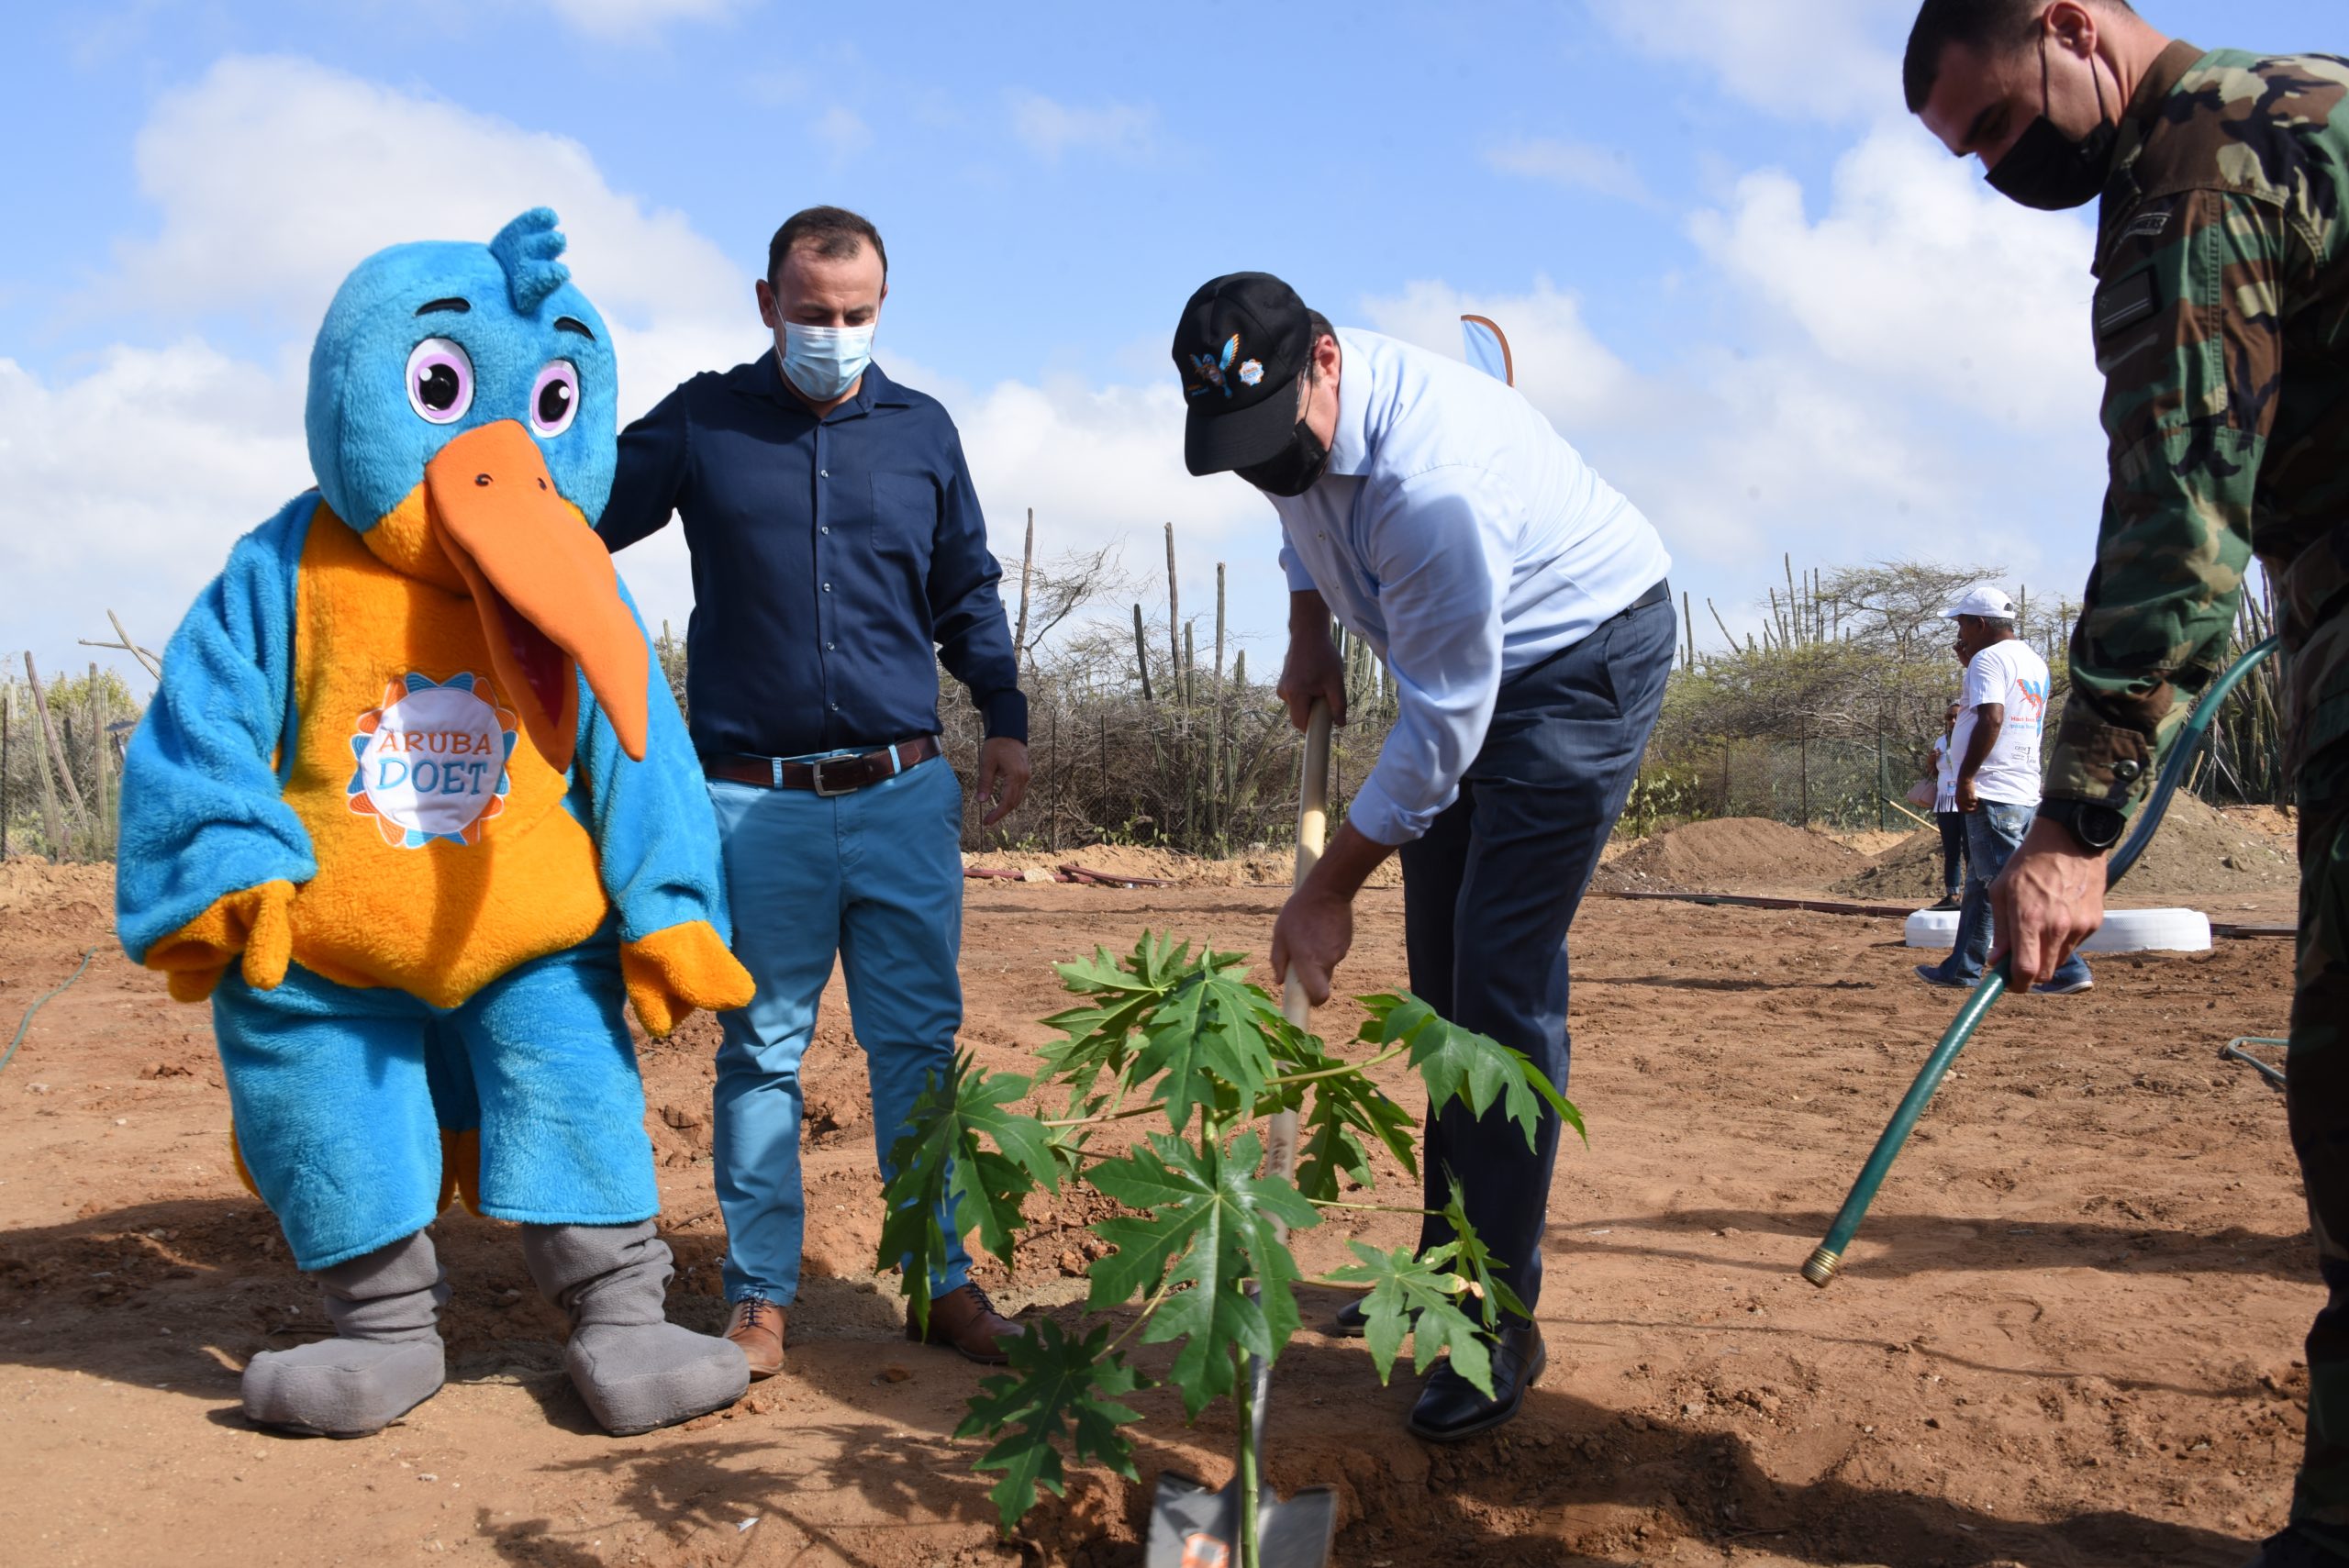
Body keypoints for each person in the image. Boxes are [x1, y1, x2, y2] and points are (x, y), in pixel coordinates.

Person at [1904, 3, 2345, 1561]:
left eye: (2002, 122)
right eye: (1970, 156)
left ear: (2069, 26)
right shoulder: (2315, 99)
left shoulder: (2197, 173)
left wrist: (2082, 825)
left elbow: (2175, 506)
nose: (2000, 169)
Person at [1171, 272, 1673, 1441]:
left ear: (1327, 362)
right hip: (1460, 661)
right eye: (1238, 451)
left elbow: (1446, 722)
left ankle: (1495, 1319)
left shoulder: (1432, 481)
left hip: (1576, 663)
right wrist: (1308, 626)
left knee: (1496, 987)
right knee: (1440, 979)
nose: (1266, 465)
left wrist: (1323, 888)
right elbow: (1299, 512)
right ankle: (1442, 1273)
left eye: (1275, 436)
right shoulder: (1291, 436)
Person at [597, 206, 1031, 1378]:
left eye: (858, 314)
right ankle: (758, 1299)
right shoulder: (701, 422)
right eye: (813, 312)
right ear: (766, 304)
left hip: (902, 792)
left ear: (881, 307)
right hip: (755, 804)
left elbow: (966, 588)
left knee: (918, 1050)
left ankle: (939, 1280)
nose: (835, 333)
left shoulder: (924, 431)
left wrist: (1005, 712)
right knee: (761, 1052)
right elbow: (577, 519)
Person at [1913, 586, 2092, 993]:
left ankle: (2068, 968)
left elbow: (1992, 719)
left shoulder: (1989, 660)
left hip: (1992, 787)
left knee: (2011, 886)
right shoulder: (2031, 660)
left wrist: (1966, 776)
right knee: (1980, 884)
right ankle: (1962, 968)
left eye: (1963, 624)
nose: (1961, 633)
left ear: (1979, 623)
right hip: (2021, 784)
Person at [1932, 699, 1967, 911]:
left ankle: (1973, 894)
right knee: (1951, 850)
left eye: (1956, 716)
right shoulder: (1941, 741)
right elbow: (1935, 772)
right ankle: (1952, 894)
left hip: (1965, 800)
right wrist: (1931, 760)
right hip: (1945, 801)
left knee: (1971, 850)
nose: (1952, 721)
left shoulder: (1972, 738)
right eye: (1949, 717)